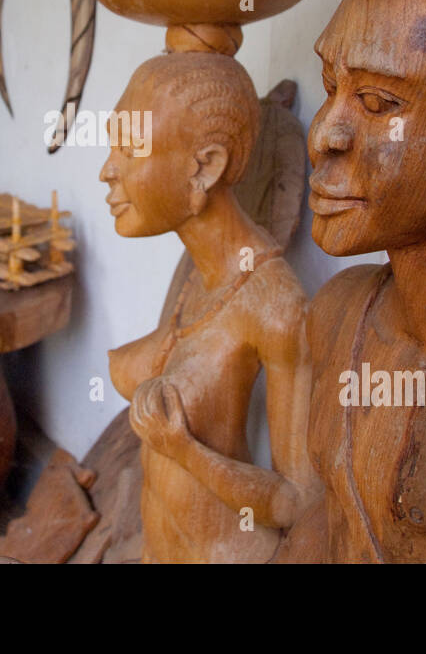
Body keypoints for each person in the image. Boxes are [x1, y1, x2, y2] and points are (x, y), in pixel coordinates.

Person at [101, 51, 311, 563]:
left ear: (206, 165)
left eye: (131, 149)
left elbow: (296, 503)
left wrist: (185, 450)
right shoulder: (198, 275)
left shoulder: (275, 304)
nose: (108, 171)